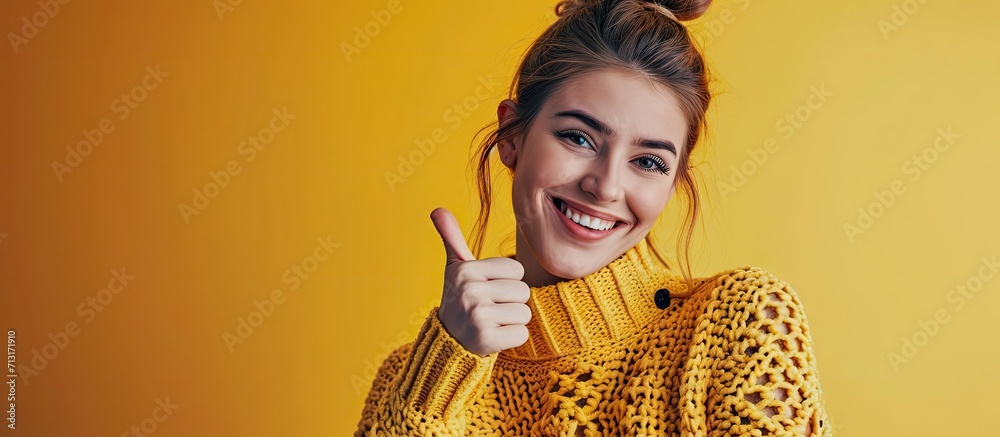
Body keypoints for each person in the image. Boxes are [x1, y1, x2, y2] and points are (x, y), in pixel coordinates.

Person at [356, 0, 833, 435]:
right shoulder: (411, 380)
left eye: (647, 162)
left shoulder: (740, 326)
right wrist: (439, 377)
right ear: (510, 136)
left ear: (672, 183)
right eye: (578, 138)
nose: (605, 186)